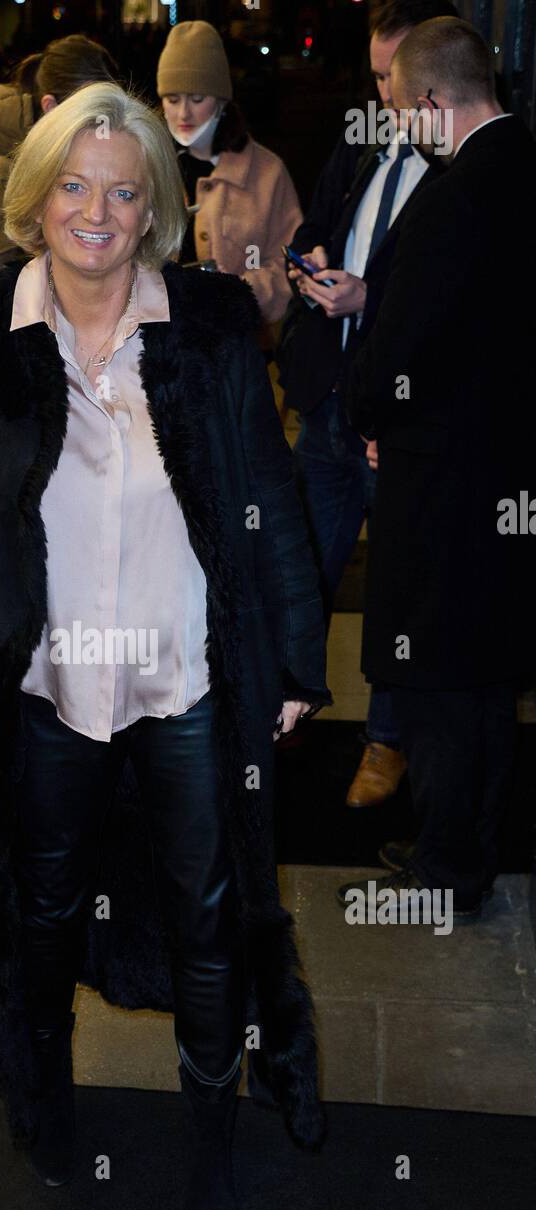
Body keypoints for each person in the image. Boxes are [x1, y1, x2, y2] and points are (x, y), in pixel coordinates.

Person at [0, 82, 331, 1210]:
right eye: (73, 184)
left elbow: (268, 496)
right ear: (37, 193)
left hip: (185, 683)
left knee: (212, 925)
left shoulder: (203, 327)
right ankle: (42, 1104)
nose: (94, 210)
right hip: (48, 688)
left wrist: (294, 657)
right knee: (40, 911)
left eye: (121, 188)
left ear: (151, 206)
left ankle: (213, 1140)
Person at [338, 17, 536, 919]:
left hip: (447, 483)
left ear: (428, 101)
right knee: (492, 679)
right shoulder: (527, 165)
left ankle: (449, 864)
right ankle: (474, 848)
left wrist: (373, 417)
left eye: (400, 110)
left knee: (442, 684)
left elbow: (399, 343)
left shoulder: (455, 199)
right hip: (511, 479)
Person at [277, 0, 458, 808]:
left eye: (397, 78)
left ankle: (386, 742)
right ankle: (288, 705)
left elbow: (453, 302)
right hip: (328, 406)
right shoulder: (361, 145)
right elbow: (318, 221)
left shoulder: (461, 170)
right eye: (377, 74)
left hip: (403, 420)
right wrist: (305, 264)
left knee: (396, 590)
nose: (384, 93)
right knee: (299, 567)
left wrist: (368, 299)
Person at [157, 19, 301, 340]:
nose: (183, 114)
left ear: (222, 101)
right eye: (172, 99)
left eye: (197, 99)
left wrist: (236, 295)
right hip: (153, 353)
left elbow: (289, 264)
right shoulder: (146, 168)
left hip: (236, 348)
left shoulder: (267, 172)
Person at [0, 35, 119, 281]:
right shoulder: (0, 174)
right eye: (91, 114)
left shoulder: (98, 163)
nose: (104, 126)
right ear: (50, 106)